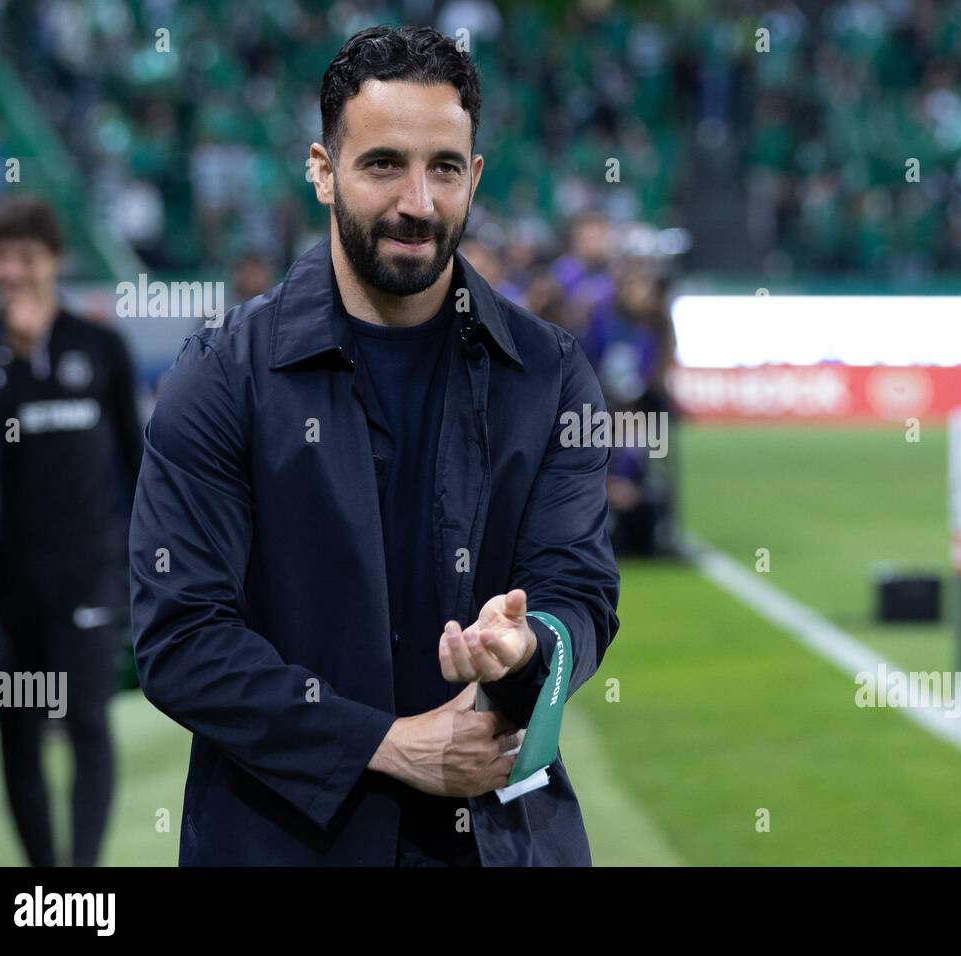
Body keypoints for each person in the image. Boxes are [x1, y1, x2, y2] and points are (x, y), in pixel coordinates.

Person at [129, 24, 620, 867]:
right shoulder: (222, 374)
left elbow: (580, 592)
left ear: (474, 176)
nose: (417, 204)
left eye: (442, 168)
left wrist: (529, 642)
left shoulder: (549, 373)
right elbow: (180, 636)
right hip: (281, 843)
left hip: (498, 842)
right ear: (322, 171)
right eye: (383, 163)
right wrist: (389, 744)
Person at [0, 193, 143, 866]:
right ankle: (45, 885)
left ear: (54, 260)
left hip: (86, 575)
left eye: (24, 258)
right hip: (2, 583)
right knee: (16, 730)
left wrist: (142, 556)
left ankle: (81, 881)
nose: (10, 272)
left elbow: (136, 461)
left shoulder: (99, 347)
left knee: (85, 720)